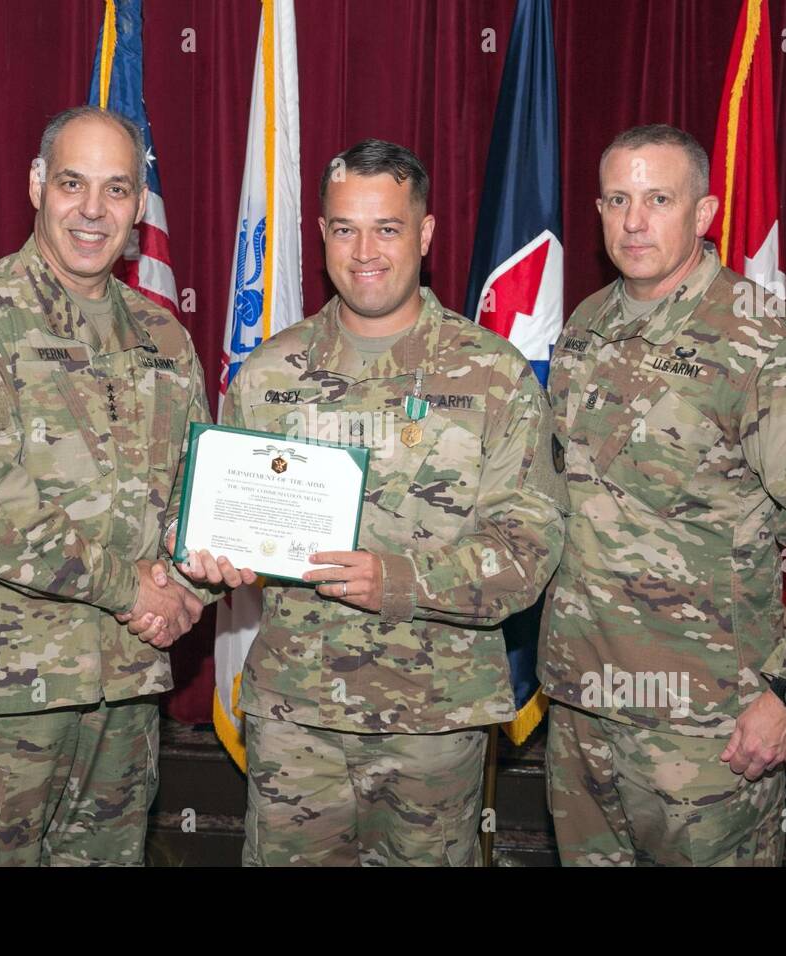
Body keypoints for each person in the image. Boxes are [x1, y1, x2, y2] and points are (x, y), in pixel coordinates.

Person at [0, 105, 250, 866]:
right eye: (72, 183)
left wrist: (196, 588)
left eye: (116, 190)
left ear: (138, 204)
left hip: (123, 702)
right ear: (35, 186)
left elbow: (199, 497)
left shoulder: (164, 338)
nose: (93, 210)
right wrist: (133, 589)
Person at [540, 124, 786, 866]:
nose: (634, 221)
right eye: (617, 199)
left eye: (658, 199)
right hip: (582, 710)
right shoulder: (585, 327)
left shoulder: (767, 346)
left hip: (704, 731)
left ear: (704, 213)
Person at [216, 138, 568, 866]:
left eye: (387, 227)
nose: (365, 250)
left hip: (432, 727)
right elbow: (232, 519)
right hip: (294, 719)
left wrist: (399, 581)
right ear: (321, 235)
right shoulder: (268, 372)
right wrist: (215, 558)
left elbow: (529, 552)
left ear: (426, 234)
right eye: (345, 228)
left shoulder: (492, 375)